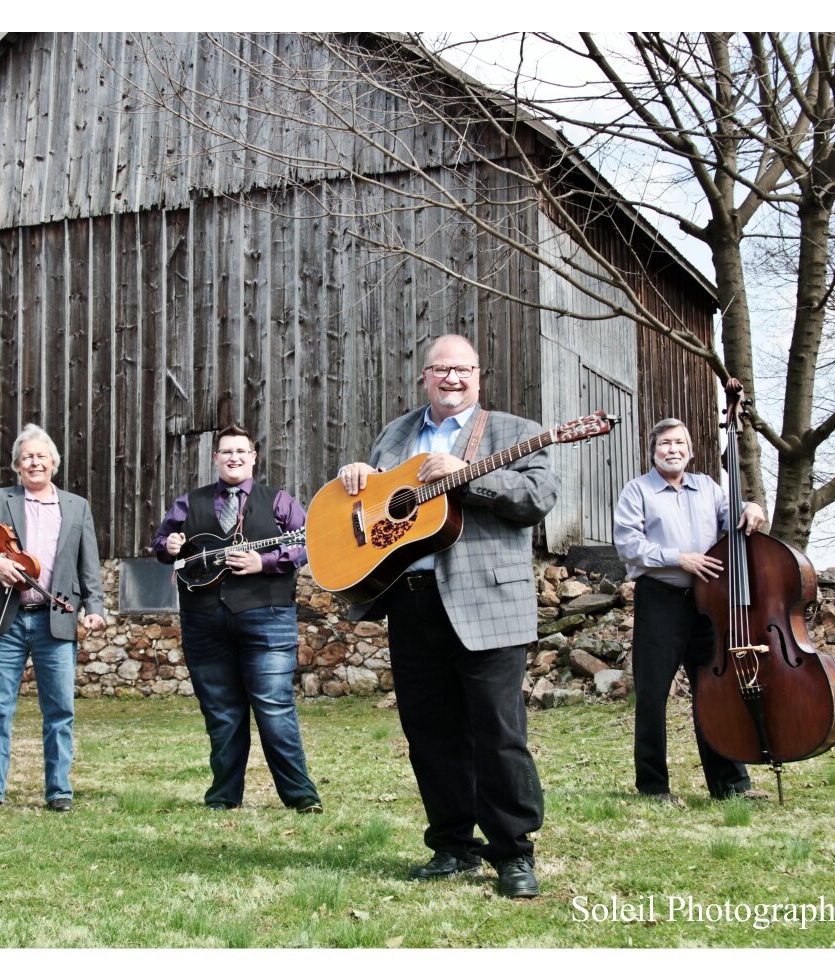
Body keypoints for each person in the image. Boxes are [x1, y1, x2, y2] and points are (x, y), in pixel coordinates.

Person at [336, 334, 556, 899]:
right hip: (411, 598)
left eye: (462, 370)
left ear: (478, 376)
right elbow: (378, 507)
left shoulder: (514, 430)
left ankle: (513, 853)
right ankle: (453, 846)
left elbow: (538, 497)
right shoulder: (397, 433)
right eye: (440, 370)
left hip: (488, 601)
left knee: (498, 732)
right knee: (430, 733)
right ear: (425, 378)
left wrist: (467, 473)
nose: (451, 379)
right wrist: (357, 479)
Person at [152, 424, 322, 814]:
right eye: (226, 452)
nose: (233, 457)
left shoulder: (278, 500)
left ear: (253, 458)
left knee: (274, 707)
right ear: (215, 459)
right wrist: (170, 545)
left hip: (269, 617)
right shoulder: (187, 503)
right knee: (221, 711)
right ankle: (224, 797)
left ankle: (301, 796)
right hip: (203, 620)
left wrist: (263, 561)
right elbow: (162, 546)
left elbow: (307, 541)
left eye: (241, 451)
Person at [613, 418, 768, 804]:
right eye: (665, 443)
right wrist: (678, 558)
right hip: (661, 598)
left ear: (691, 450)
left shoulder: (711, 489)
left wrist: (752, 507)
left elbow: (734, 516)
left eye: (680, 443)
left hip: (707, 604)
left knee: (714, 692)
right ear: (653, 451)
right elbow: (629, 546)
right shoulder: (637, 491)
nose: (673, 449)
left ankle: (730, 785)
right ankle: (654, 787)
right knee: (652, 695)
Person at [0, 423, 107, 814]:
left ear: (54, 463)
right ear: (17, 466)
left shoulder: (77, 506)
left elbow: (88, 563)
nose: (35, 462)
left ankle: (59, 790)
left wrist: (95, 609)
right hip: (6, 618)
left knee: (59, 710)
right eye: (27, 457)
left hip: (54, 619)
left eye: (42, 456)